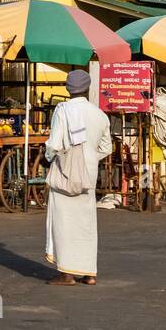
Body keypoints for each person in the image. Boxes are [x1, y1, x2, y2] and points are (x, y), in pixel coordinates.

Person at [44, 69, 113, 286]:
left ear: (67, 88)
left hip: (66, 173)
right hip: (89, 174)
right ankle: (89, 273)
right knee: (86, 224)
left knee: (64, 222)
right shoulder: (99, 114)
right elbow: (107, 148)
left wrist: (52, 157)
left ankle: (66, 274)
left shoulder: (63, 110)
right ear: (88, 87)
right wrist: (89, 157)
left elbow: (54, 144)